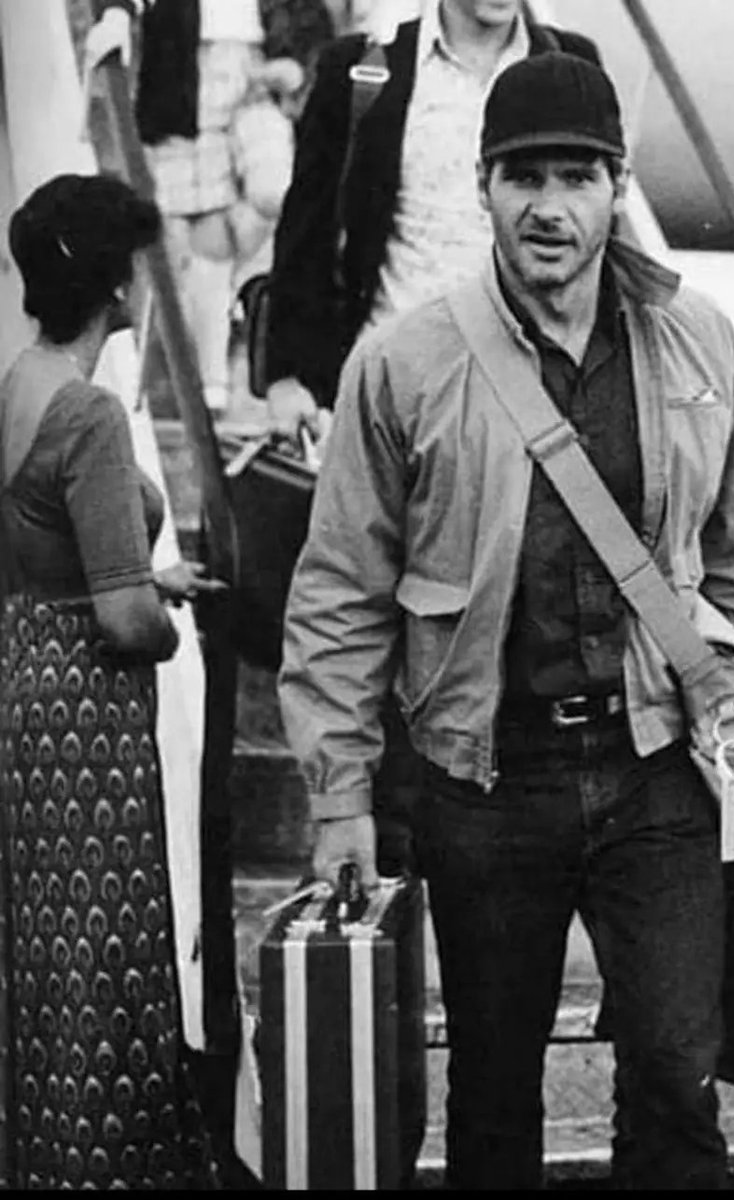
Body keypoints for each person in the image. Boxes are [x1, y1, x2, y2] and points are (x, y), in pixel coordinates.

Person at [278, 51, 734, 1190]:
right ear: (482, 186)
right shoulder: (403, 365)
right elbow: (339, 597)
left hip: (659, 768)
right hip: (487, 782)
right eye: (523, 176)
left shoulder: (697, 340)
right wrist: (339, 800)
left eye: (577, 177)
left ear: (617, 186)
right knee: (492, 1094)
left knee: (677, 1072)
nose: (549, 206)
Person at [0, 172, 227, 1189]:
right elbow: (122, 617)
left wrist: (143, 573)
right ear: (117, 282)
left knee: (47, 956)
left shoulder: (19, 383)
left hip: (22, 677)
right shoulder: (90, 413)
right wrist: (168, 624)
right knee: (107, 960)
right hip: (85, 718)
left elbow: (49, 546)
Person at [264, 0, 600, 439]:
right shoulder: (361, 67)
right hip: (391, 386)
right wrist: (286, 375)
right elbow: (307, 228)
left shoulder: (571, 65)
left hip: (525, 398)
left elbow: (596, 229)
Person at [85, 0, 322, 415]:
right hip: (186, 69)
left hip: (257, 69)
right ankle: (211, 380)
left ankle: (243, 292)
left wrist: (297, 63)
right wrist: (118, 15)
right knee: (203, 232)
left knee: (275, 190)